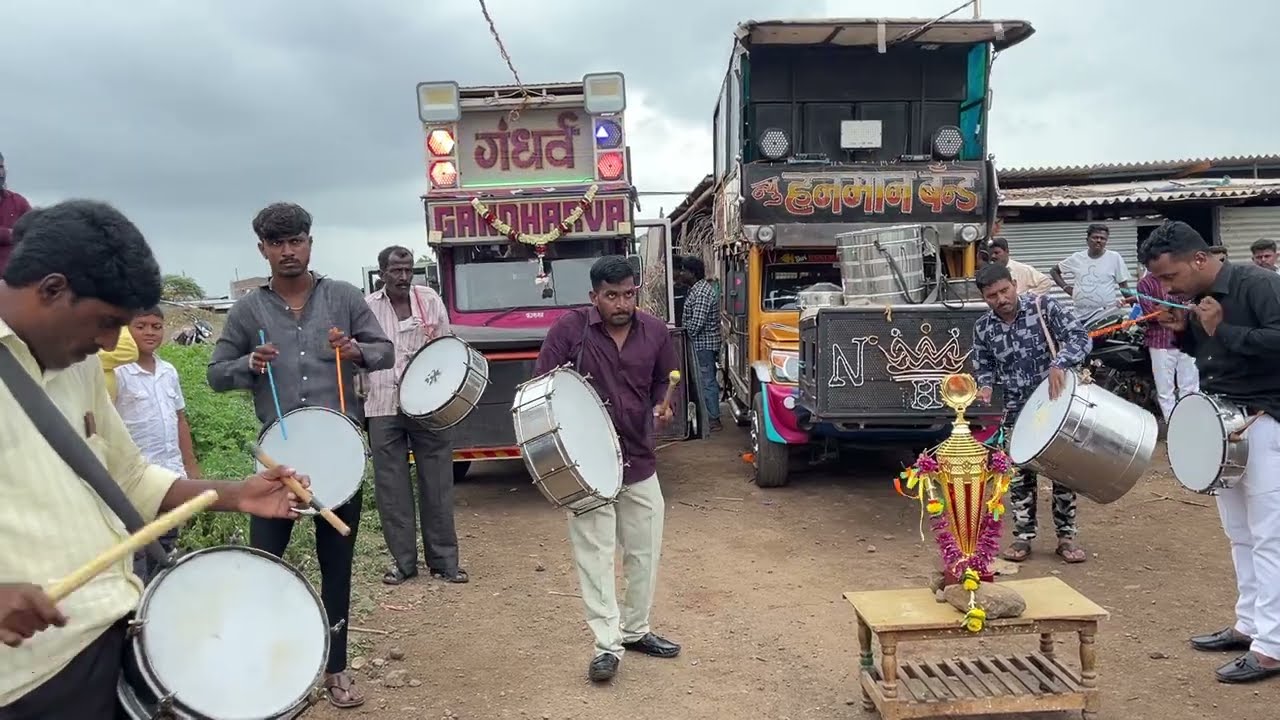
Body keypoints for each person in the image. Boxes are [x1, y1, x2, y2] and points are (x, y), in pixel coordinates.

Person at [0, 200, 307, 718]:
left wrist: (235, 493)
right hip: (26, 682)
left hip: (114, 638)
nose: (106, 344)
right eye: (104, 323)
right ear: (52, 289)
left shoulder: (76, 369)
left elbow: (129, 477)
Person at [207, 202, 394, 709]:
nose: (288, 252)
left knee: (338, 567)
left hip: (340, 459)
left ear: (311, 242)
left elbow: (385, 352)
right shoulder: (249, 310)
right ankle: (268, 669)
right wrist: (248, 362)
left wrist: (355, 349)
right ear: (262, 249)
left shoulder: (343, 297)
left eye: (296, 241)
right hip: (277, 468)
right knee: (265, 565)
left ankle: (337, 671)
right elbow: (215, 373)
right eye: (277, 243)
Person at [1142, 220, 1280, 684]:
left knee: (1270, 538)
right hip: (1226, 426)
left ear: (1199, 260)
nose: (1166, 287)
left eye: (1170, 277)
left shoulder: (1259, 284)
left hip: (1265, 423)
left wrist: (1224, 329)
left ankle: (1273, 648)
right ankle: (1250, 626)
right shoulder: (1197, 301)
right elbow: (1208, 349)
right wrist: (1185, 330)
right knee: (1240, 534)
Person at [533, 255, 681, 683]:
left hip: (638, 455)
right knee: (595, 554)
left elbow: (664, 378)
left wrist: (662, 404)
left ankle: (636, 630)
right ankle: (606, 645)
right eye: (612, 295)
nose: (622, 303)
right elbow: (543, 384)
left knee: (644, 549)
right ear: (593, 296)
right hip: (586, 462)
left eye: (629, 294)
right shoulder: (570, 330)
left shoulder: (654, 330)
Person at [970, 262, 1092, 564]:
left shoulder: (1044, 307)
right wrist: (985, 385)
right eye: (992, 295)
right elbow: (983, 363)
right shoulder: (983, 327)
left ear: (1014, 284)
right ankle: (1023, 537)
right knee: (1019, 475)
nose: (1000, 299)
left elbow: (1080, 338)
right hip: (1015, 411)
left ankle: (1066, 536)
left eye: (1004, 290)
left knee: (1062, 472)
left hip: (1056, 406)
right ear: (984, 298)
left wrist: (1059, 363)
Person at [364, 245, 468, 586]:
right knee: (392, 489)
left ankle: (445, 562)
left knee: (437, 482)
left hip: (429, 406)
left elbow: (445, 349)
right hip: (382, 405)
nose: (403, 277)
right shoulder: (366, 309)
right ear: (382, 273)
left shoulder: (429, 300)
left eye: (408, 270)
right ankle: (403, 564)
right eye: (395, 270)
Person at [114, 306, 202, 583]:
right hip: (134, 481)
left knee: (165, 550)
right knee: (135, 554)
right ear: (127, 330)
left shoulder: (168, 372)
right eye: (141, 326)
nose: (150, 332)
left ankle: (155, 611)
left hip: (170, 477)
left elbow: (179, 420)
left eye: (156, 326)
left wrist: (190, 466)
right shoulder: (117, 373)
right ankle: (135, 619)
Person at [1135, 256, 1200, 424]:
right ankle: (1175, 429)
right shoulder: (1145, 284)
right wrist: (1170, 310)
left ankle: (1193, 426)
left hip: (1186, 340)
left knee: (1191, 388)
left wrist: (1166, 309)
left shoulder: (1182, 277)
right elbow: (1152, 315)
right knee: (1165, 391)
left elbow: (1190, 306)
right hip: (1160, 343)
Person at [1050, 223, 1132, 318]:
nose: (1098, 241)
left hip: (1106, 315)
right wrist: (1066, 288)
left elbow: (1123, 286)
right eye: (1095, 237)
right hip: (1081, 315)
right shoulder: (1077, 258)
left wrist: (1136, 308)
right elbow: (1054, 271)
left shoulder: (1114, 257)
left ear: (1106, 241)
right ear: (1087, 240)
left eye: (1102, 238)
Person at [680, 256, 722, 431]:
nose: (681, 274)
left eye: (684, 270)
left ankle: (713, 419)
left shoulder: (702, 293)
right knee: (705, 381)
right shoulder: (696, 290)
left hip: (703, 345)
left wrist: (683, 329)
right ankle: (709, 418)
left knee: (707, 382)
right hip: (701, 344)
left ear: (693, 273)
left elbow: (696, 325)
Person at [0, 151, 33, 275]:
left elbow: (35, 230)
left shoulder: (18, 201)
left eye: (0, 167)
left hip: (13, 282)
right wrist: (10, 233)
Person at [986, 237, 1055, 294]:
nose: (993, 256)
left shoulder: (1023, 269)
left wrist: (1028, 297)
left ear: (1007, 251)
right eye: (991, 253)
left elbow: (1046, 282)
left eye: (996, 253)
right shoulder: (989, 273)